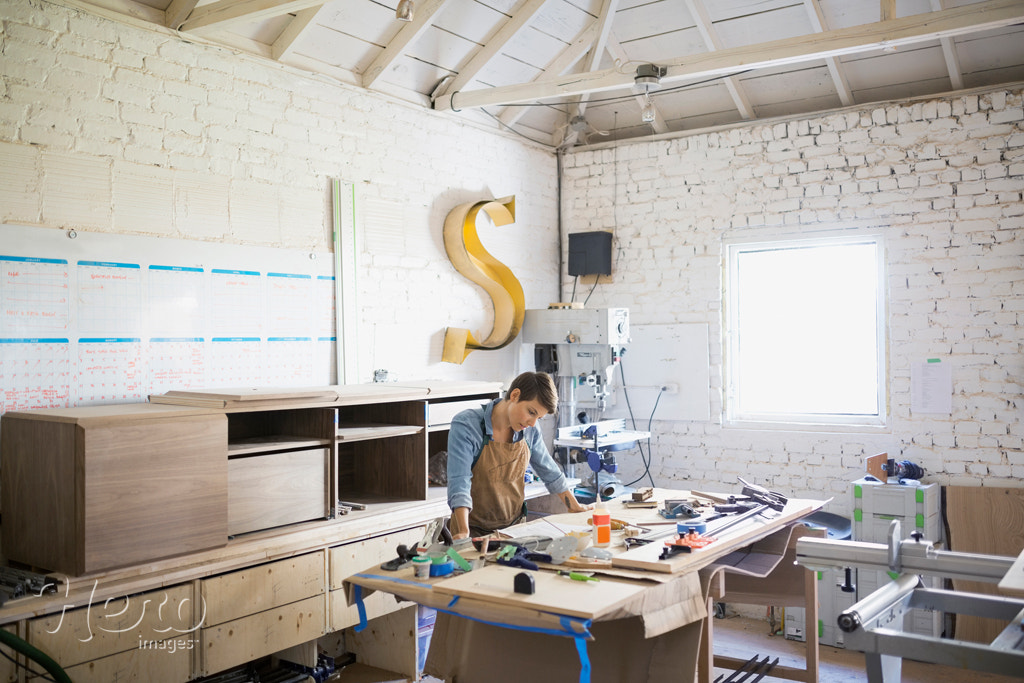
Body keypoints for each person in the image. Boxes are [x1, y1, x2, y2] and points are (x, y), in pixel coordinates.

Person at [446, 371, 592, 539]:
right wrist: (463, 532)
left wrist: (574, 506)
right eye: (531, 412)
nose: (532, 423)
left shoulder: (529, 431)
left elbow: (549, 471)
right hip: (472, 532)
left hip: (514, 531)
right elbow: (459, 481)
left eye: (539, 417)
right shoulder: (467, 425)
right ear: (515, 395)